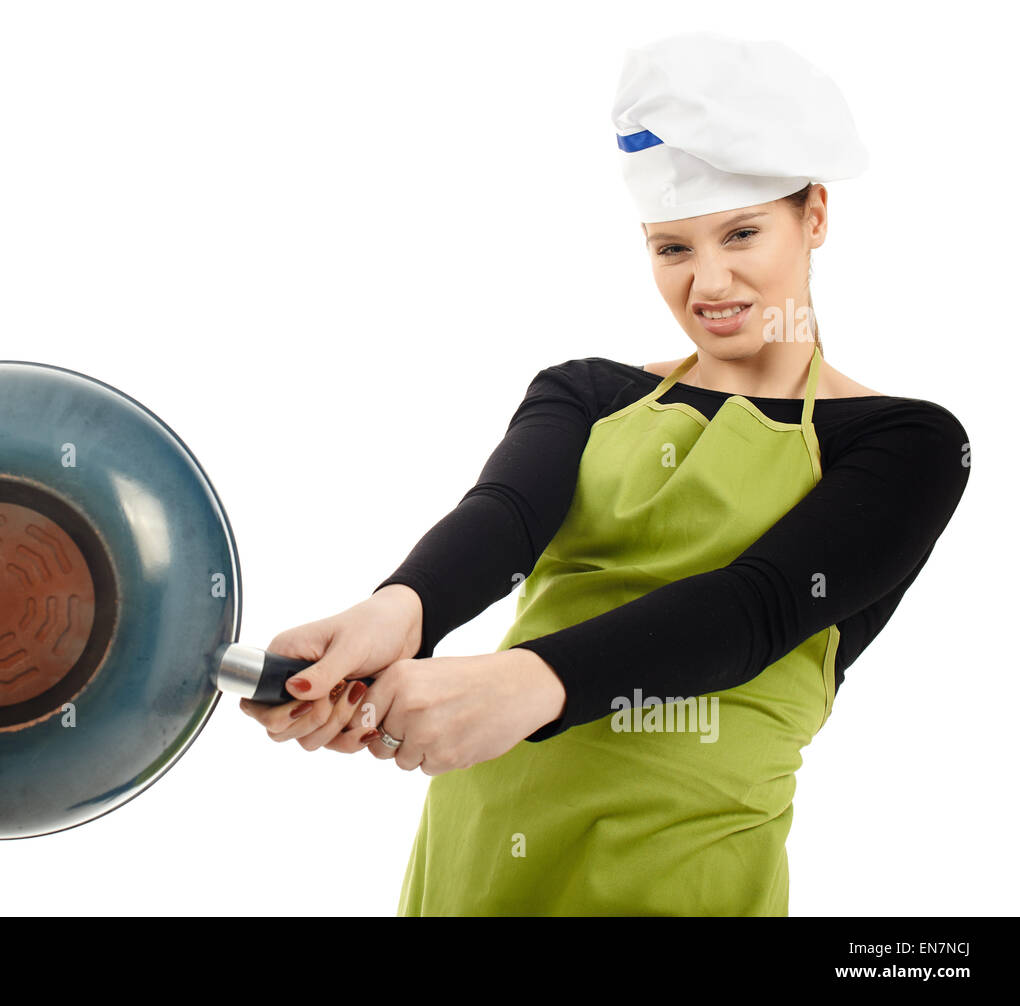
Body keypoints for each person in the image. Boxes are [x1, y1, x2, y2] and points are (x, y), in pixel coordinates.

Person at [238, 32, 971, 915]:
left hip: (686, 861)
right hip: (483, 835)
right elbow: (505, 518)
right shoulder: (585, 392)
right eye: (672, 248)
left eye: (742, 233)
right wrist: (395, 614)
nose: (710, 282)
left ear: (815, 215)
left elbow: (755, 606)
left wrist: (522, 684)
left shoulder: (907, 444)